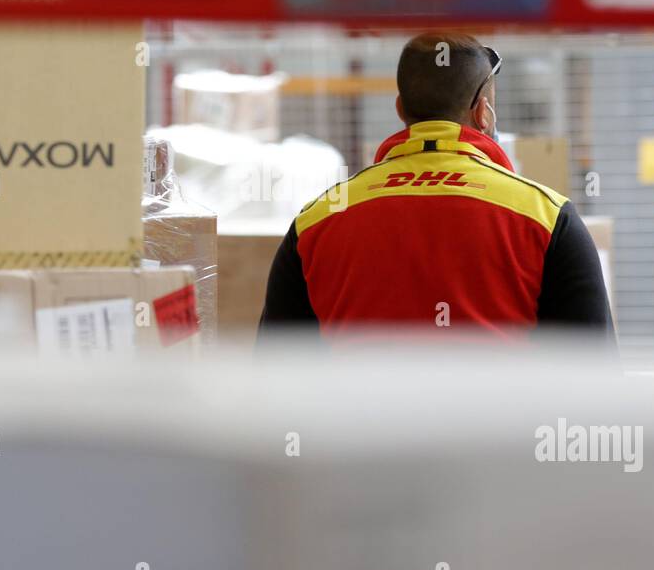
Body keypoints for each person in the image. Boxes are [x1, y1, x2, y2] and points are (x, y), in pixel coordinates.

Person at [257, 31, 614, 343]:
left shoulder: (318, 219)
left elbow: (277, 378)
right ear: (483, 113)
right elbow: (592, 379)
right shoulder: (547, 218)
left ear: (400, 109)